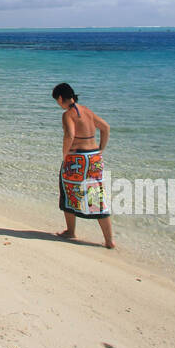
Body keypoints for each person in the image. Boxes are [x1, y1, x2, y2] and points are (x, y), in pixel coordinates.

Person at [51, 82, 115, 249]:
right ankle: (109, 241)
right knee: (96, 198)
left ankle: (71, 232)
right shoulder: (86, 110)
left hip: (77, 159)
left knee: (68, 192)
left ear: (60, 98)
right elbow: (106, 127)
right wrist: (101, 149)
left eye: (57, 101)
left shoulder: (67, 114)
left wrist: (65, 155)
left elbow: (70, 134)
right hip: (94, 158)